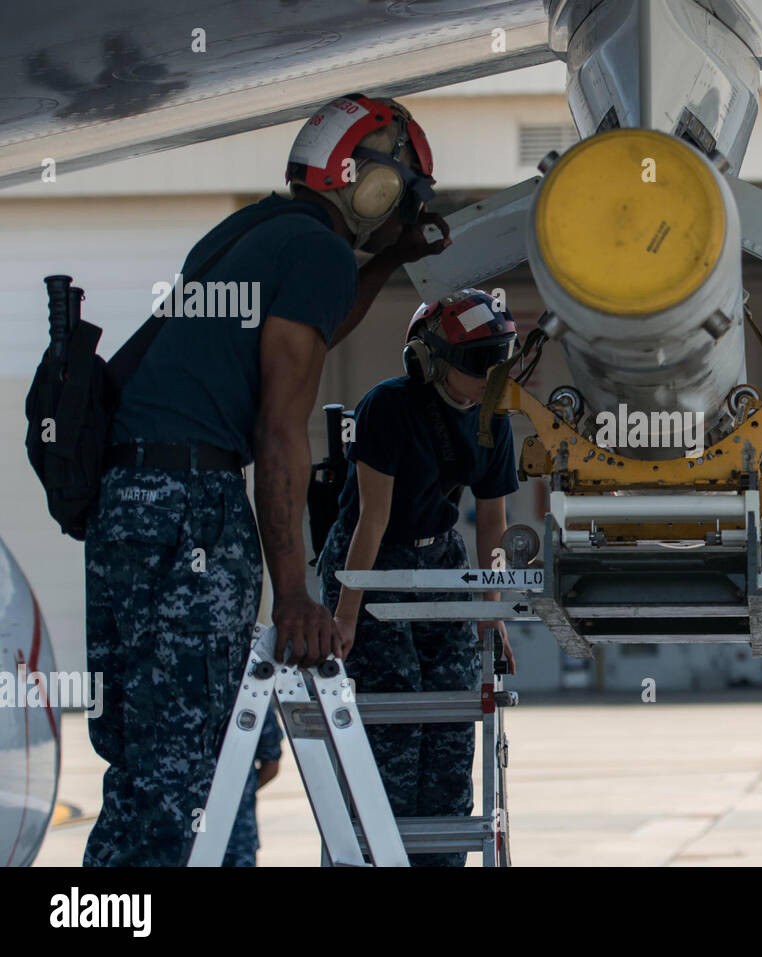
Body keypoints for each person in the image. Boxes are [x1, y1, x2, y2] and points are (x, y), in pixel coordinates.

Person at [83, 93, 452, 867]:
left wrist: (386, 261)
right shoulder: (315, 254)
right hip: (193, 505)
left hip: (128, 500)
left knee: (144, 762)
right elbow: (281, 431)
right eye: (397, 199)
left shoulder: (255, 233)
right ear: (373, 186)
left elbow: (309, 325)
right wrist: (293, 592)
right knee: (203, 771)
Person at [316, 289, 520, 867]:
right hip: (371, 561)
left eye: (499, 360)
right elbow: (372, 520)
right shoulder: (388, 408)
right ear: (428, 361)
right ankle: (383, 854)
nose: (491, 376)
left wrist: (491, 615)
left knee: (456, 710)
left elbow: (493, 526)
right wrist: (346, 618)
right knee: (396, 711)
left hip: (441, 560)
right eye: (479, 363)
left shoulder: (492, 423)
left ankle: (442, 856)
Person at [223, 713, 283, 867]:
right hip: (237, 837)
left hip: (236, 837)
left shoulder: (250, 697)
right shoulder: (248, 694)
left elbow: (271, 765)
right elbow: (271, 765)